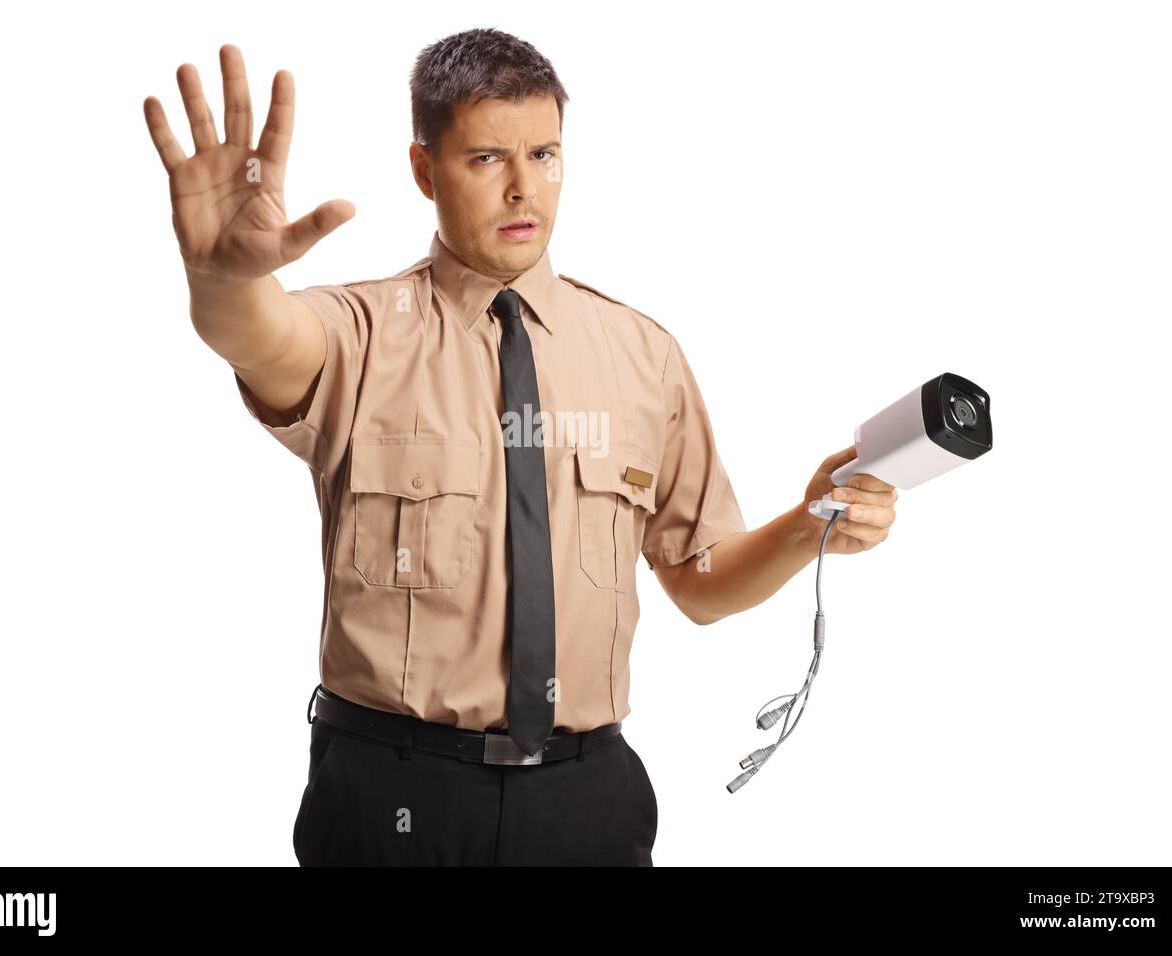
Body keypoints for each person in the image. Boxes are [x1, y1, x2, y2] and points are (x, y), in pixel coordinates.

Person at [142, 29, 898, 866]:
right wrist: (221, 281)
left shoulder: (644, 356)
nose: (521, 187)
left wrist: (807, 523)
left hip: (587, 800)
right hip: (394, 797)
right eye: (485, 159)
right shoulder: (360, 336)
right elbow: (258, 336)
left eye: (544, 153)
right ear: (425, 170)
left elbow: (700, 582)